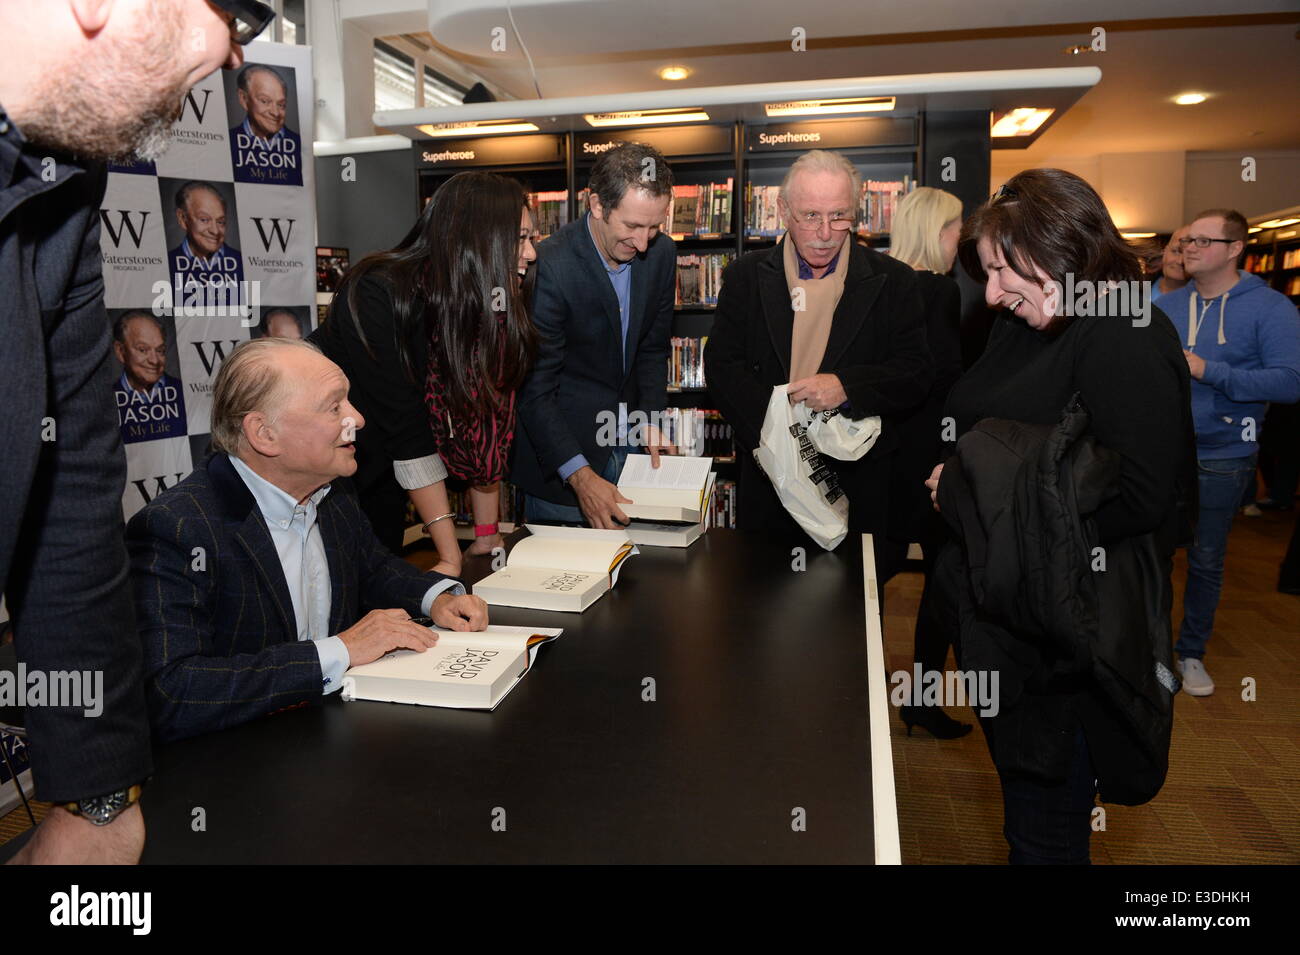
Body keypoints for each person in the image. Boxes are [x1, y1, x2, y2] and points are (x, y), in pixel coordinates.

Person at [0, 0, 270, 865]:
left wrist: (99, 793)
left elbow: (72, 494)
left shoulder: (66, 189)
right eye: (238, 13)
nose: (235, 56)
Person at [927, 168, 1194, 864]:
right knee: (1029, 818)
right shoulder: (1032, 320)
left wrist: (968, 495)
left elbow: (1142, 499)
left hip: (1065, 646)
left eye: (1000, 269)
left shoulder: (1124, 333)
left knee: (1045, 833)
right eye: (983, 272)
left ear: (1057, 244)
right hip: (1012, 626)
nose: (990, 292)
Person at [125, 338, 489, 742]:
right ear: (264, 434)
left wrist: (436, 598)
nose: (358, 419)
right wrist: (341, 651)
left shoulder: (332, 493)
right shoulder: (175, 529)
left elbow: (371, 568)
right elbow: (172, 691)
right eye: (335, 407)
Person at [704, 149, 932, 582]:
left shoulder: (895, 281)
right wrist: (777, 430)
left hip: (855, 486)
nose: (826, 233)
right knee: (763, 611)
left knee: (851, 623)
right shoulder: (745, 277)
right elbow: (720, 366)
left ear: (856, 212)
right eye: (810, 215)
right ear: (783, 211)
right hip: (771, 479)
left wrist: (847, 385)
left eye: (840, 216)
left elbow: (917, 372)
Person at [312, 171, 537, 570]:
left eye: (531, 238)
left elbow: (481, 418)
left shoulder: (476, 301)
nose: (531, 253)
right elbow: (408, 431)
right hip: (320, 483)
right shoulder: (377, 291)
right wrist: (450, 558)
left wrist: (486, 537)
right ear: (479, 237)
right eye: (520, 238)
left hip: (383, 482)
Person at [1153, 208, 1300, 696]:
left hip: (1224, 453)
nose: (1188, 248)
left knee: (1205, 558)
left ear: (1235, 248)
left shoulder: (1271, 308)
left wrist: (1208, 370)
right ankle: (1154, 655)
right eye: (1186, 240)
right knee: (1149, 554)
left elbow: (1289, 382)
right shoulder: (1168, 307)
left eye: (1202, 241)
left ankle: (1191, 652)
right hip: (1163, 451)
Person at [513, 142, 677, 527]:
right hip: (563, 466)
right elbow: (535, 391)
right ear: (598, 205)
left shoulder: (662, 254)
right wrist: (580, 477)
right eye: (633, 226)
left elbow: (653, 350)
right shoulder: (549, 265)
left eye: (654, 227)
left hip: (634, 451)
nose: (642, 244)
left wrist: (652, 419)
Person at [884, 186, 969, 738]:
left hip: (881, 453)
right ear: (938, 231)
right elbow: (943, 379)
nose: (962, 238)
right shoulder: (940, 293)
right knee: (944, 580)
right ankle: (920, 697)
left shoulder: (878, 286)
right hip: (931, 456)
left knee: (870, 572)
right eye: (958, 227)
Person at [112, 310, 187, 443]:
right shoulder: (106, 401)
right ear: (120, 351)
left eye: (160, 351)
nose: (154, 360)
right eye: (143, 349)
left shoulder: (184, 393)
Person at [229, 63, 303, 186]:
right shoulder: (227, 144)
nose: (275, 113)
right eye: (265, 101)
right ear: (243, 99)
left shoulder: (300, 146)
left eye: (281, 105)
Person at [168, 180, 244, 290]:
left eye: (220, 222)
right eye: (204, 220)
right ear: (182, 219)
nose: (215, 231)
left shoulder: (243, 265)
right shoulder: (166, 266)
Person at [1153, 226, 1190, 297]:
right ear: (1165, 251)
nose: (1180, 261)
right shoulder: (1136, 288)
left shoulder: (1204, 302)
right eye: (1176, 251)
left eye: (1189, 254)